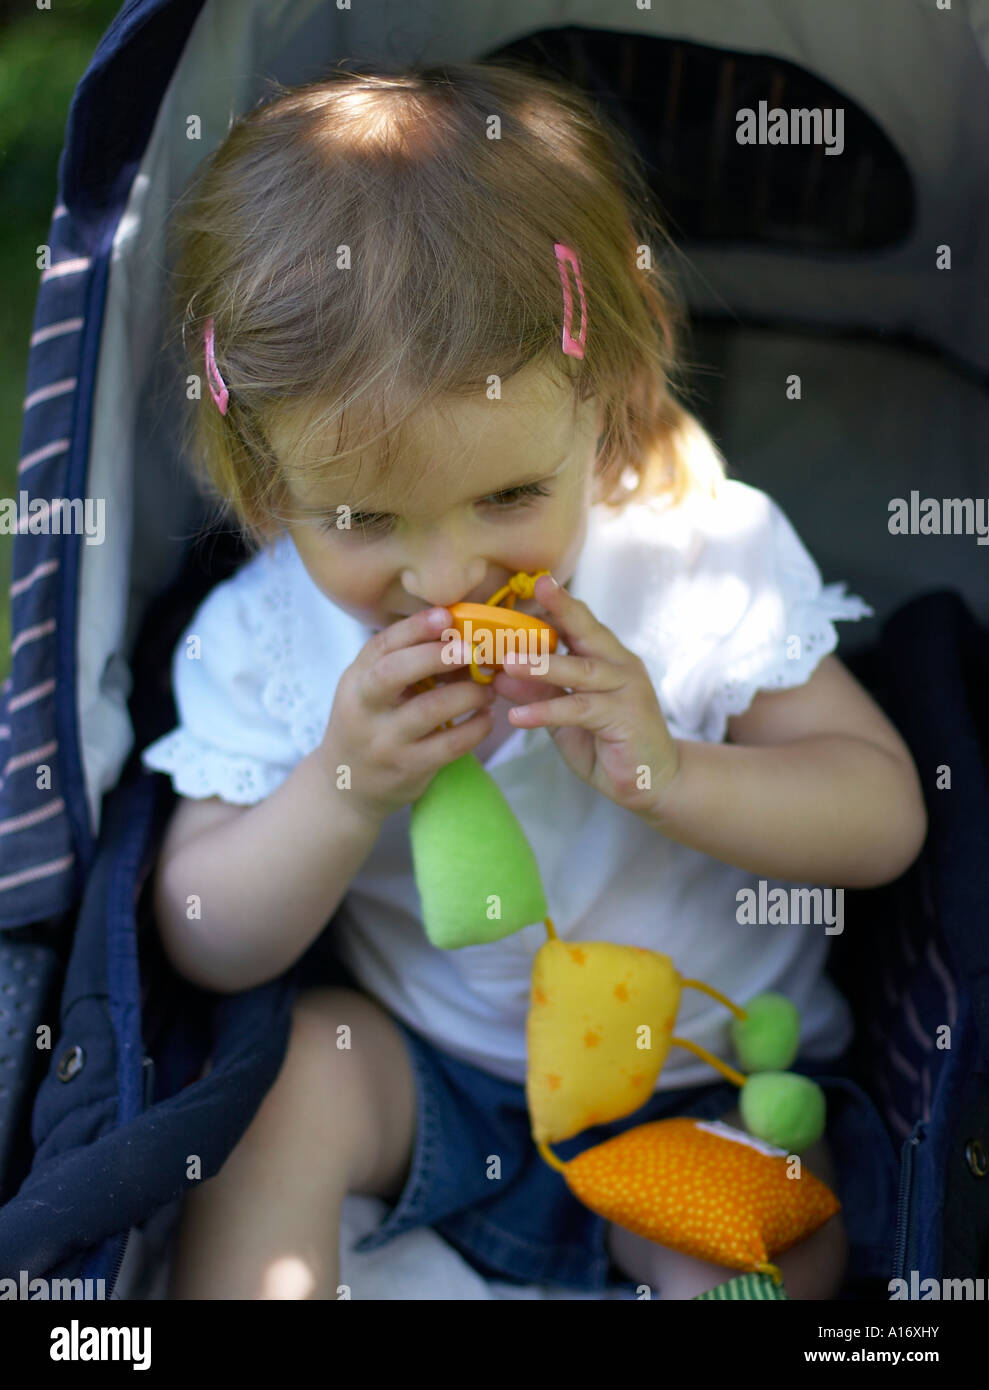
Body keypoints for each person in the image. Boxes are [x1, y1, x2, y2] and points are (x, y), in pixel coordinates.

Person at [141, 62, 927, 1300]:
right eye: (360, 519)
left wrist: (672, 771)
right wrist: (341, 792)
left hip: (703, 1072)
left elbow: (881, 818)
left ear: (604, 404)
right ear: (262, 485)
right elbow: (207, 938)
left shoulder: (691, 555)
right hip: (438, 1070)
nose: (442, 572)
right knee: (295, 1076)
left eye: (508, 496)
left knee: (771, 1230)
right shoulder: (265, 640)